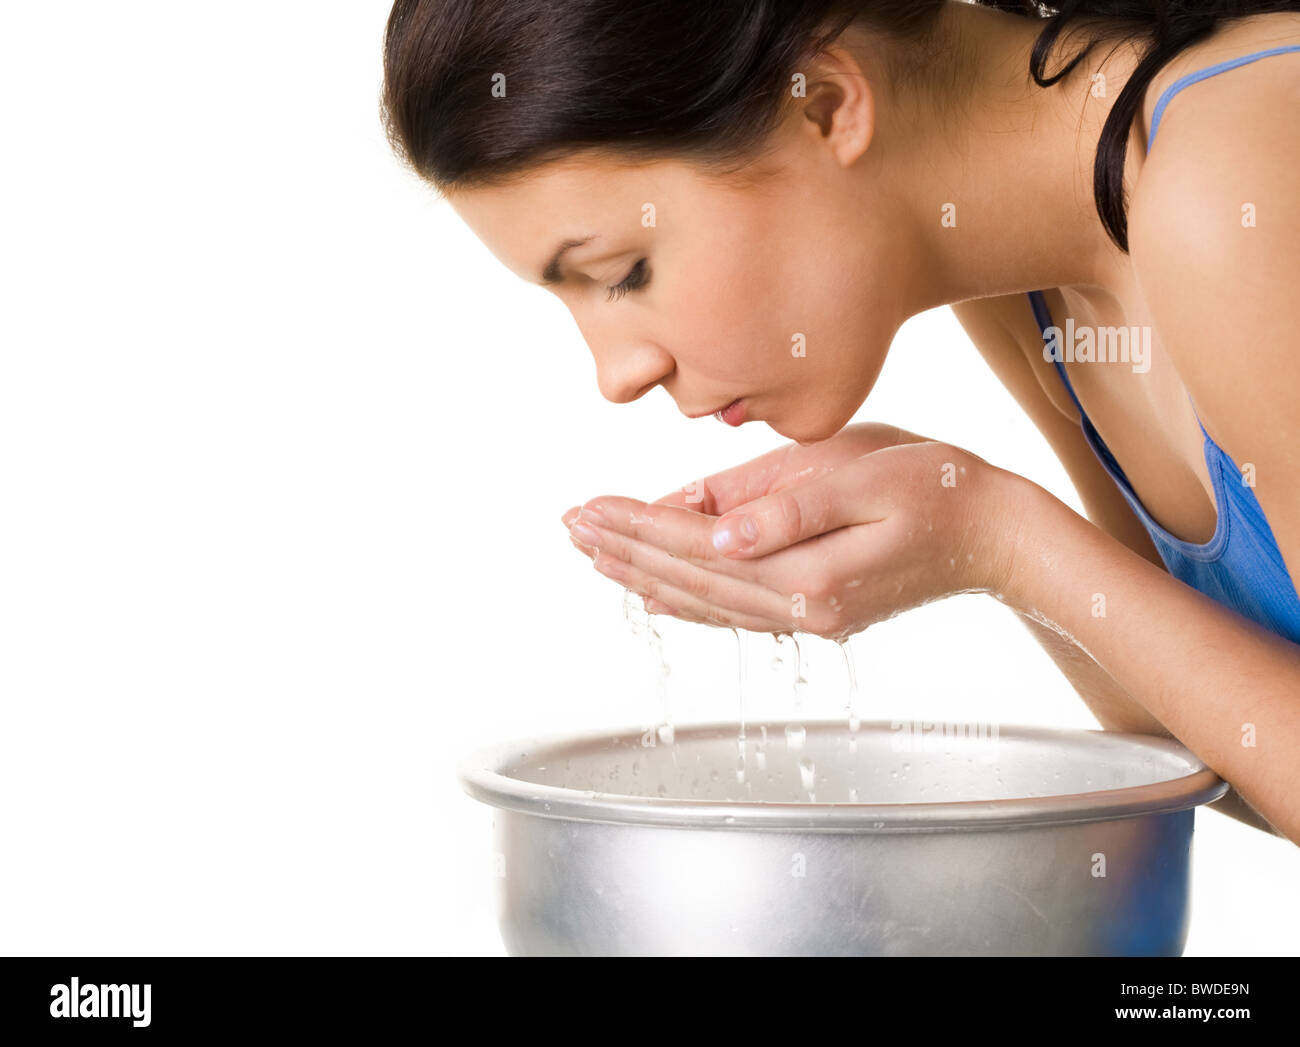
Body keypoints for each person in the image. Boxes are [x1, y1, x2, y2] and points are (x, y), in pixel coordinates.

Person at [380, 1, 1300, 842]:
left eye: (624, 271)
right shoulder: (1026, 284)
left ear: (823, 102)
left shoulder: (1235, 181)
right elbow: (1220, 757)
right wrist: (974, 532)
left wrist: (1005, 537)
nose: (617, 374)